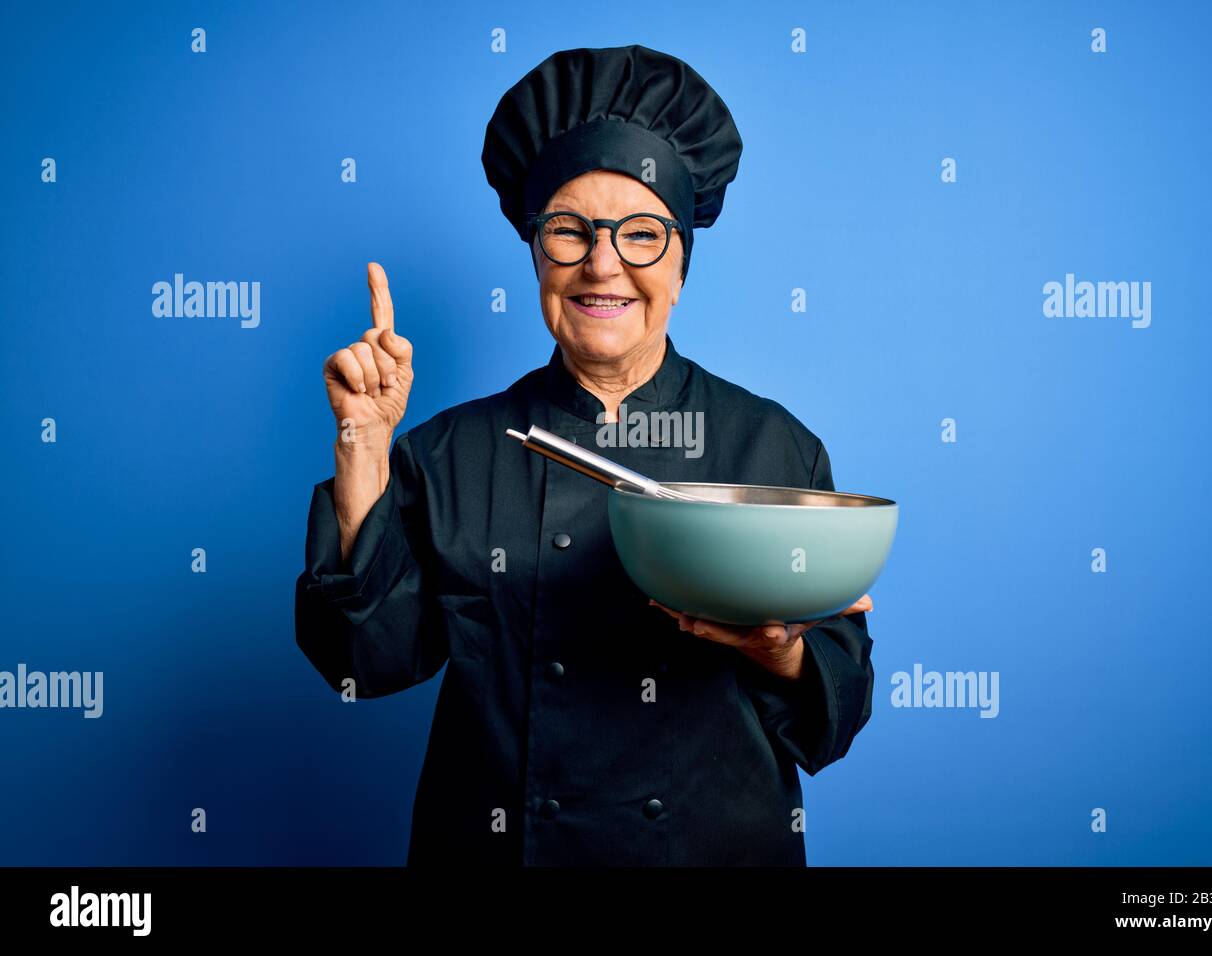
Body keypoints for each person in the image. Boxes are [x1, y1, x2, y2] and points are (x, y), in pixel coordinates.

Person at [295, 44, 876, 866]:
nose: (603, 264)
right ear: (536, 252)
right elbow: (364, 662)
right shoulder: (449, 452)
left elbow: (837, 719)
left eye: (641, 234)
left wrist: (776, 649)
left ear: (680, 263)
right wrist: (363, 443)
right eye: (570, 231)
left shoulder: (772, 448)